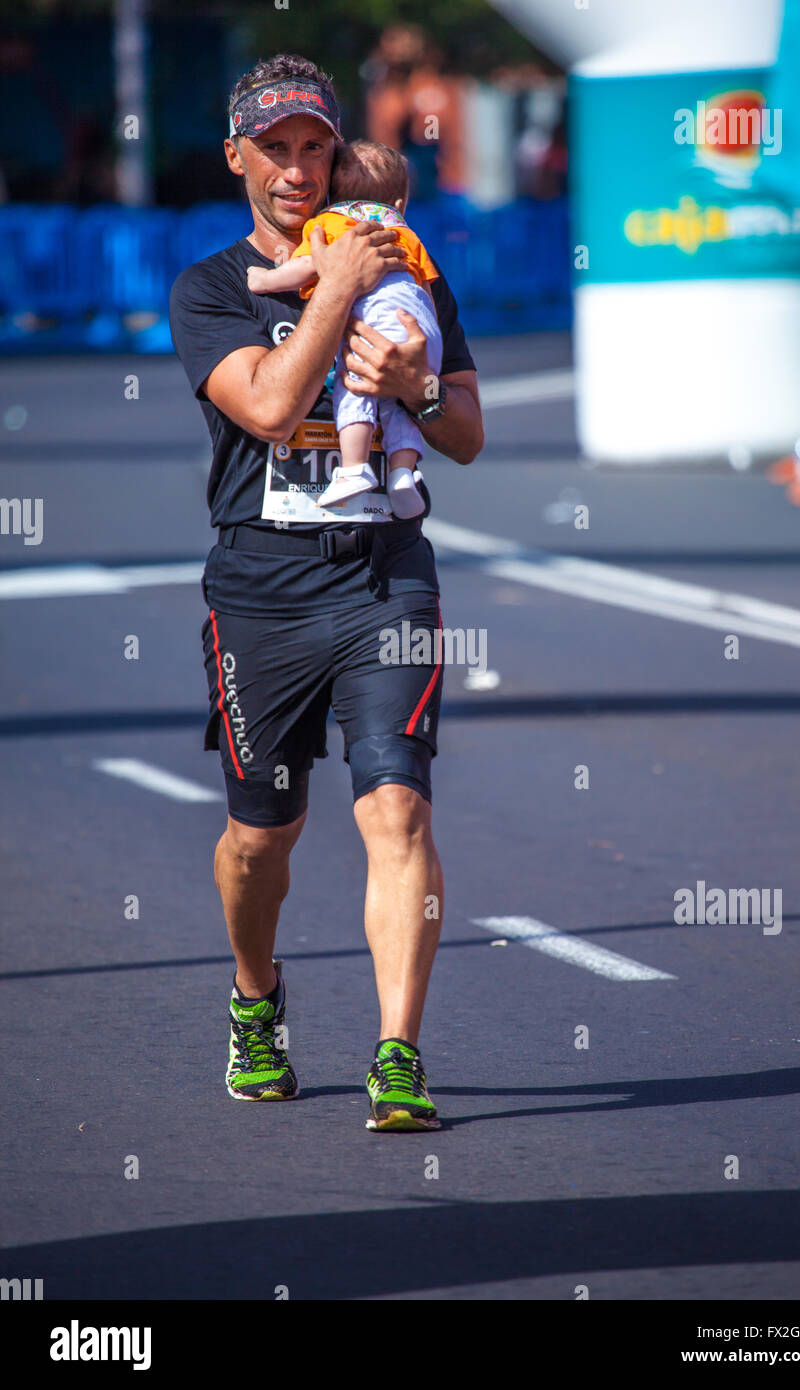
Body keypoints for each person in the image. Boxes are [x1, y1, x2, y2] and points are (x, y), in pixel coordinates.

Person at [169, 53, 483, 1132]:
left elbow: (467, 433)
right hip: (260, 588)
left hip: (384, 576)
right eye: (277, 150)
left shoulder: (406, 259)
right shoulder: (212, 288)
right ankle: (255, 997)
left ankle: (398, 1054)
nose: (299, 171)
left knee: (395, 807)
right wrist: (335, 287)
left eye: (316, 148)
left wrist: (417, 386)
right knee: (264, 834)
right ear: (237, 160)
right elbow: (264, 406)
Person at [246, 139, 440, 520]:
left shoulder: (333, 223)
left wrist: (266, 280)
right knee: (399, 404)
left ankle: (353, 469)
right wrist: (427, 364)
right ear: (400, 205)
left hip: (374, 320)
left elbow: (303, 268)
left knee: (355, 388)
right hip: (418, 326)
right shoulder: (406, 233)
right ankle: (403, 471)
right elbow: (426, 289)